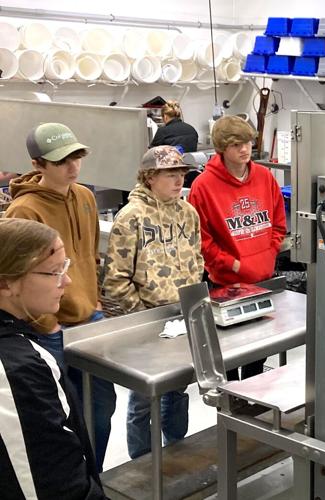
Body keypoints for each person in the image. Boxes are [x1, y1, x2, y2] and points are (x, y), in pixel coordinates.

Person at [4, 123, 115, 472]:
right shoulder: (24, 211)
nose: (73, 166)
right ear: (38, 165)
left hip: (89, 317)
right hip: (51, 327)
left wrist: (95, 302)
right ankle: (75, 478)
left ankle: (93, 474)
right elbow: (18, 277)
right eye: (62, 160)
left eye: (77, 156)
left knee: (101, 405)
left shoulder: (84, 196)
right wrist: (47, 325)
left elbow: (90, 254)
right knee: (63, 416)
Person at [101, 146, 203, 459]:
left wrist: (192, 308)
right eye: (171, 174)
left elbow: (197, 260)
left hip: (182, 317)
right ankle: (142, 463)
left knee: (177, 388)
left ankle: (177, 452)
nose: (179, 180)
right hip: (147, 320)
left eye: (182, 173)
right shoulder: (130, 218)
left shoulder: (188, 212)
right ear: (149, 177)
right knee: (144, 396)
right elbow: (115, 279)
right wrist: (143, 320)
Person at [0, 218, 107, 499]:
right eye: (54, 271)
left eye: (66, 267)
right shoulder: (16, 370)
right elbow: (46, 482)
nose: (67, 281)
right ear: (7, 283)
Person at [188, 115, 287, 381]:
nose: (244, 149)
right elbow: (202, 239)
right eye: (236, 145)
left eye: (247, 143)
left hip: (264, 280)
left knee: (259, 350)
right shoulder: (203, 186)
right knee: (229, 355)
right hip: (225, 285)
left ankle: (252, 402)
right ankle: (231, 409)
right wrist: (232, 264)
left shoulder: (265, 178)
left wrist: (269, 252)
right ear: (222, 148)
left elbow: (278, 222)